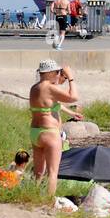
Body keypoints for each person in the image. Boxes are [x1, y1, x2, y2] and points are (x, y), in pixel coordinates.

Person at [30, 59, 83, 198]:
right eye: (57, 72)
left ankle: (33, 198)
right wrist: (71, 77)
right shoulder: (49, 88)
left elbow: (52, 104)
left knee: (38, 172)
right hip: (50, 133)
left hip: (35, 132)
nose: (59, 74)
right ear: (51, 73)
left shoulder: (34, 88)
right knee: (52, 172)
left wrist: (71, 113)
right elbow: (74, 97)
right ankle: (48, 202)